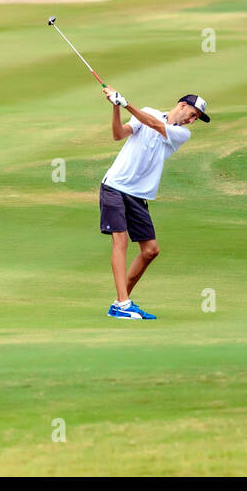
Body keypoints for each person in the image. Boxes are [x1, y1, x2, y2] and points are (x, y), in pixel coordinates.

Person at [98, 87, 210, 319]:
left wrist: (127, 104)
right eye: (192, 114)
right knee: (120, 241)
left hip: (138, 195)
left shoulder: (181, 134)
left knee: (150, 250)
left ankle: (120, 302)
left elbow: (155, 125)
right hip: (115, 186)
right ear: (182, 105)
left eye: (195, 119)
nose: (191, 120)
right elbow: (118, 134)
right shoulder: (147, 112)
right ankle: (123, 303)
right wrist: (116, 108)